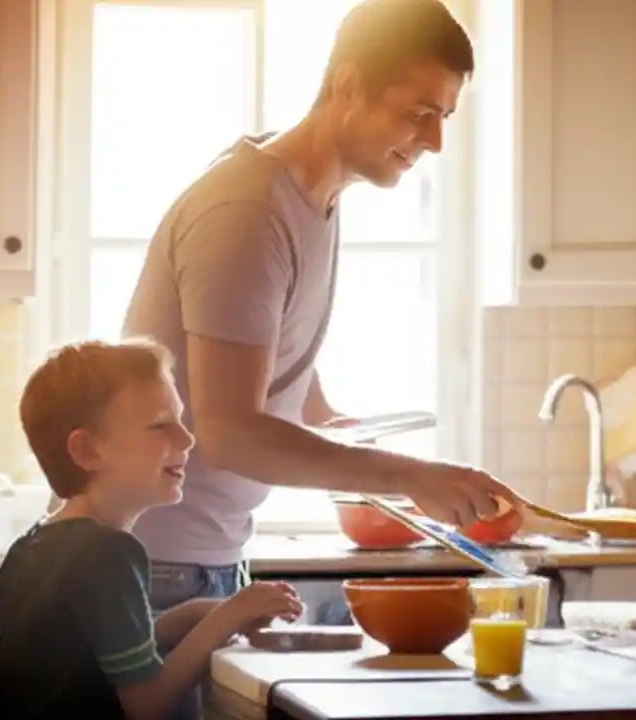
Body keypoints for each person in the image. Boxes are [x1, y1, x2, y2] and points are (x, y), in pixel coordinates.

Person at [120, 0, 518, 611]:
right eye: (419, 113)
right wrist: (410, 475)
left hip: (195, 559)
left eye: (444, 118)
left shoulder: (306, 198)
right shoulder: (248, 211)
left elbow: (258, 342)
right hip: (158, 567)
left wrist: (327, 417)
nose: (436, 142)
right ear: (349, 87)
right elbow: (227, 435)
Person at [0, 339, 305, 719]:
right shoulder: (108, 555)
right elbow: (145, 703)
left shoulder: (31, 547)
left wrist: (213, 613)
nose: (187, 439)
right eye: (161, 425)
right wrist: (229, 616)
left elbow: (100, 651)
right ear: (88, 451)